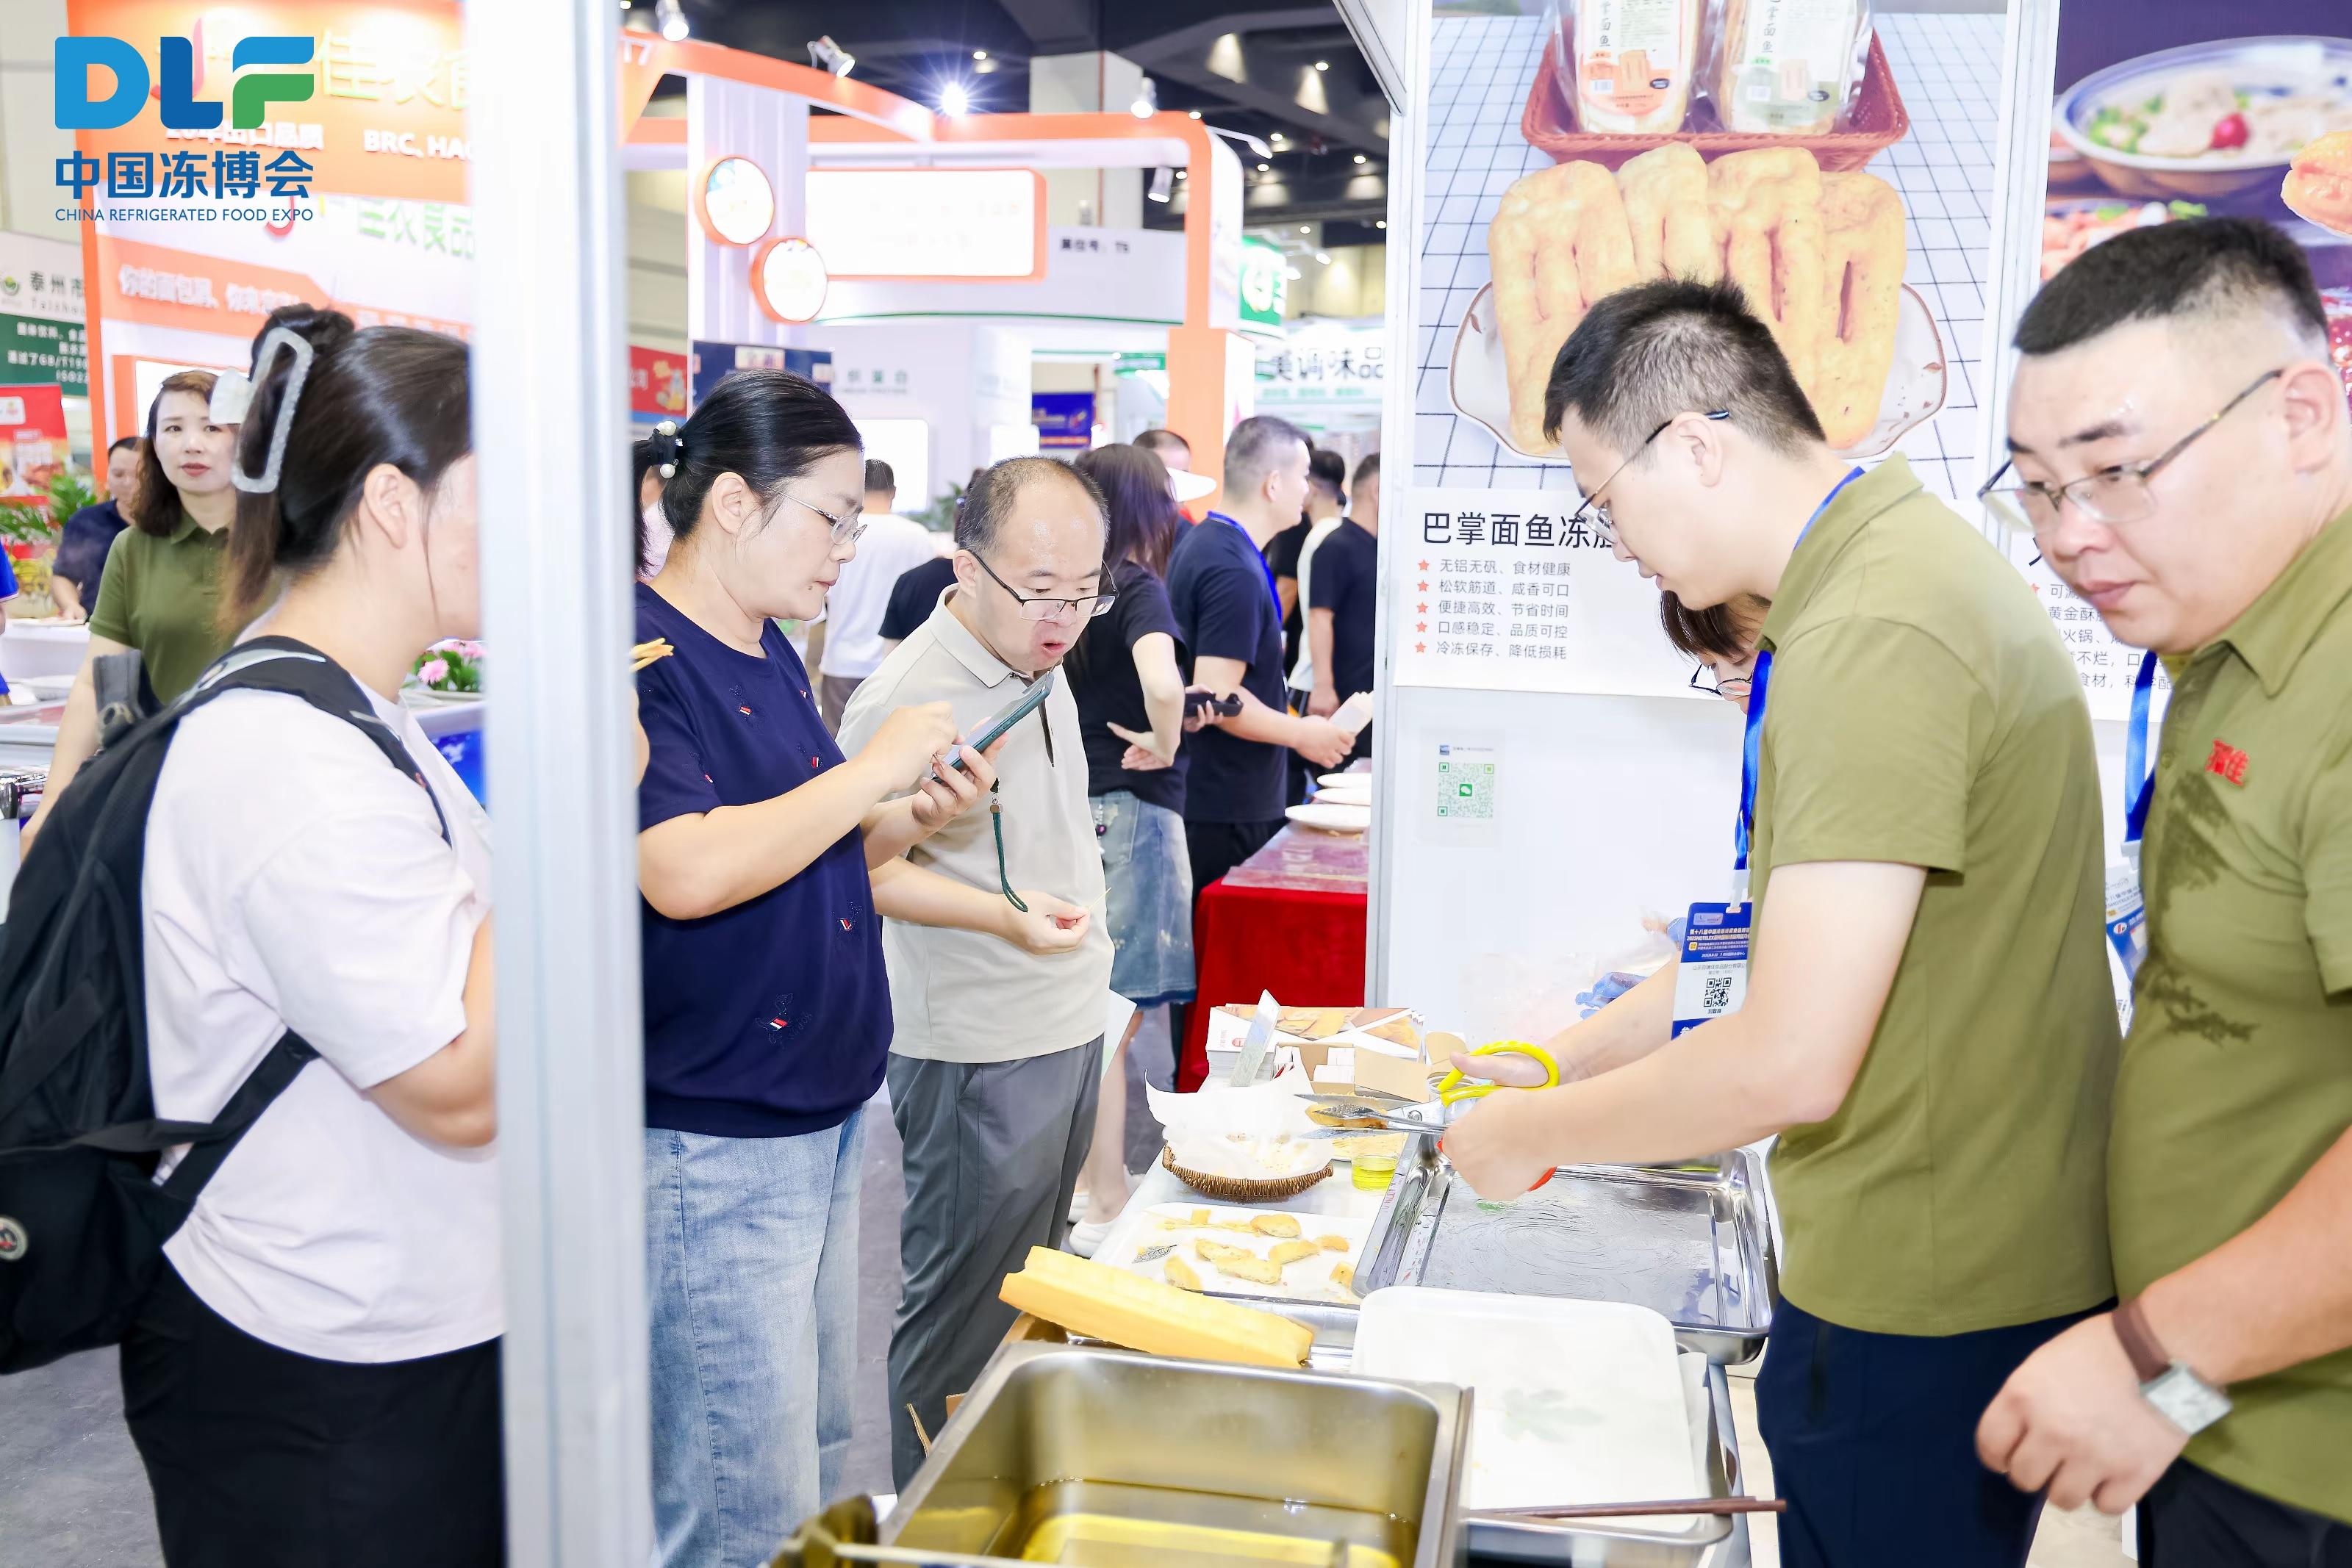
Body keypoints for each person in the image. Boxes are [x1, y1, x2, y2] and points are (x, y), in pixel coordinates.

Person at [1439, 278, 2120, 1568]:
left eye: (1601, 500)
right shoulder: (1887, 575)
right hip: (1955, 1234)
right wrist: (1557, 1063)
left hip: (1927, 1267)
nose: (1614, 542)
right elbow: (1758, 941)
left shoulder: (1874, 627)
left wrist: (1525, 1134)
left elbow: (1791, 1059)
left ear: (1695, 446)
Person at [631, 373, 1088, 1568]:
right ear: (735, 503)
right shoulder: (646, 662)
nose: (849, 547)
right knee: (738, 1486)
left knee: (810, 1449)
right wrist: (873, 769)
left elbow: (822, 854)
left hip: (817, 1105)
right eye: (832, 519)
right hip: (719, 1128)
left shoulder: (768, 649)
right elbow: (683, 869)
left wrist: (913, 812)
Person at [1974, 219, 2352, 1561]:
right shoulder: (2229, 630)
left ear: (2301, 413)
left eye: (2119, 472)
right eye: (2035, 488)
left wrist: (2148, 1347)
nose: (2070, 537)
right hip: (2230, 1403)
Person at [118, 309, 504, 1564]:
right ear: (394, 502)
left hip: (398, 1327)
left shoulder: (358, 712)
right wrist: (578, 815)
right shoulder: (292, 759)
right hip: (324, 1369)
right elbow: (459, 1082)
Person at [839, 454, 1116, 1489]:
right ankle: (934, 1518)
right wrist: (1003, 915)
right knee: (960, 1316)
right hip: (978, 1045)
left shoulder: (1035, 658)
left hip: (1061, 1013)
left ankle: (1001, 1503)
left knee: (1030, 1294)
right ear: (966, 567)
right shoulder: (908, 696)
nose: (1063, 617)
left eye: (1085, 591)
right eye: (1039, 590)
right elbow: (855, 872)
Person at [1062, 442, 1194, 1254]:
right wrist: (1166, 741)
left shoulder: (1072, 591)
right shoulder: (1138, 588)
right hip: (1129, 811)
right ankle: (1107, 1196)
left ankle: (1088, 1184)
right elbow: (1164, 682)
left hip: (1071, 809)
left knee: (1091, 1009)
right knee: (1115, 1015)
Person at [21, 371, 239, 850]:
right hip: (167, 788)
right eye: (173, 428)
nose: (192, 444)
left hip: (278, 786)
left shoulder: (292, 544)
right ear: (155, 447)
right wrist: (54, 802)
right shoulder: (134, 548)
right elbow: (95, 680)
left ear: (245, 439)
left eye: (211, 427)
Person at [1166, 414, 1354, 901]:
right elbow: (1218, 696)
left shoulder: (1213, 544)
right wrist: (1303, 735)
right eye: (1302, 476)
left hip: (1217, 793)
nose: (1307, 490)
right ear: (1273, 484)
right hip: (1225, 803)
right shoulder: (1231, 567)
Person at [811, 458, 939, 731]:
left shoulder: (839, 533)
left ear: (858, 489)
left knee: (837, 749)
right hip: (899, 667)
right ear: (893, 492)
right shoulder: (918, 537)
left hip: (843, 662)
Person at [1305, 450, 1382, 766]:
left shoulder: (1383, 547)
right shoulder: (1336, 546)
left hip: (1374, 692)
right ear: (1378, 491)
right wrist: (1323, 686)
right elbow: (1319, 617)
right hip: (1344, 693)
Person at [51, 435, 140, 620]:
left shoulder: (176, 522)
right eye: (118, 474)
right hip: (97, 625)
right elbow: (64, 576)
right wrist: (71, 605)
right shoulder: (86, 522)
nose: (128, 483)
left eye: (140, 475)